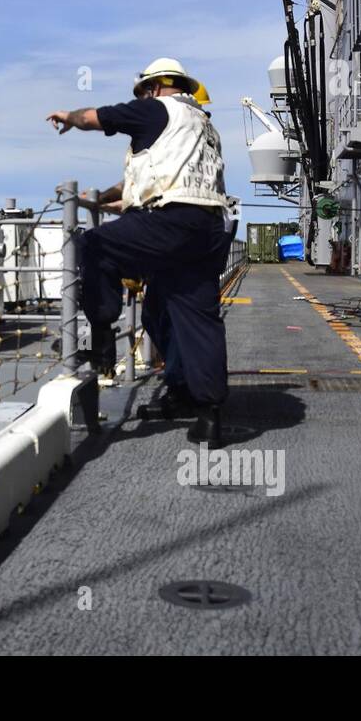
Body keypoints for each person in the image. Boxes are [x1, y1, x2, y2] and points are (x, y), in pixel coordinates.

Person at [47, 57, 232, 447]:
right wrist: (102, 199)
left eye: (145, 90)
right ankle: (206, 414)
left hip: (171, 224)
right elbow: (149, 182)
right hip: (208, 229)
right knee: (185, 316)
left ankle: (100, 337)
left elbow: (97, 117)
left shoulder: (155, 109)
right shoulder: (203, 126)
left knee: (95, 244)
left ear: (154, 87)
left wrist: (69, 115)